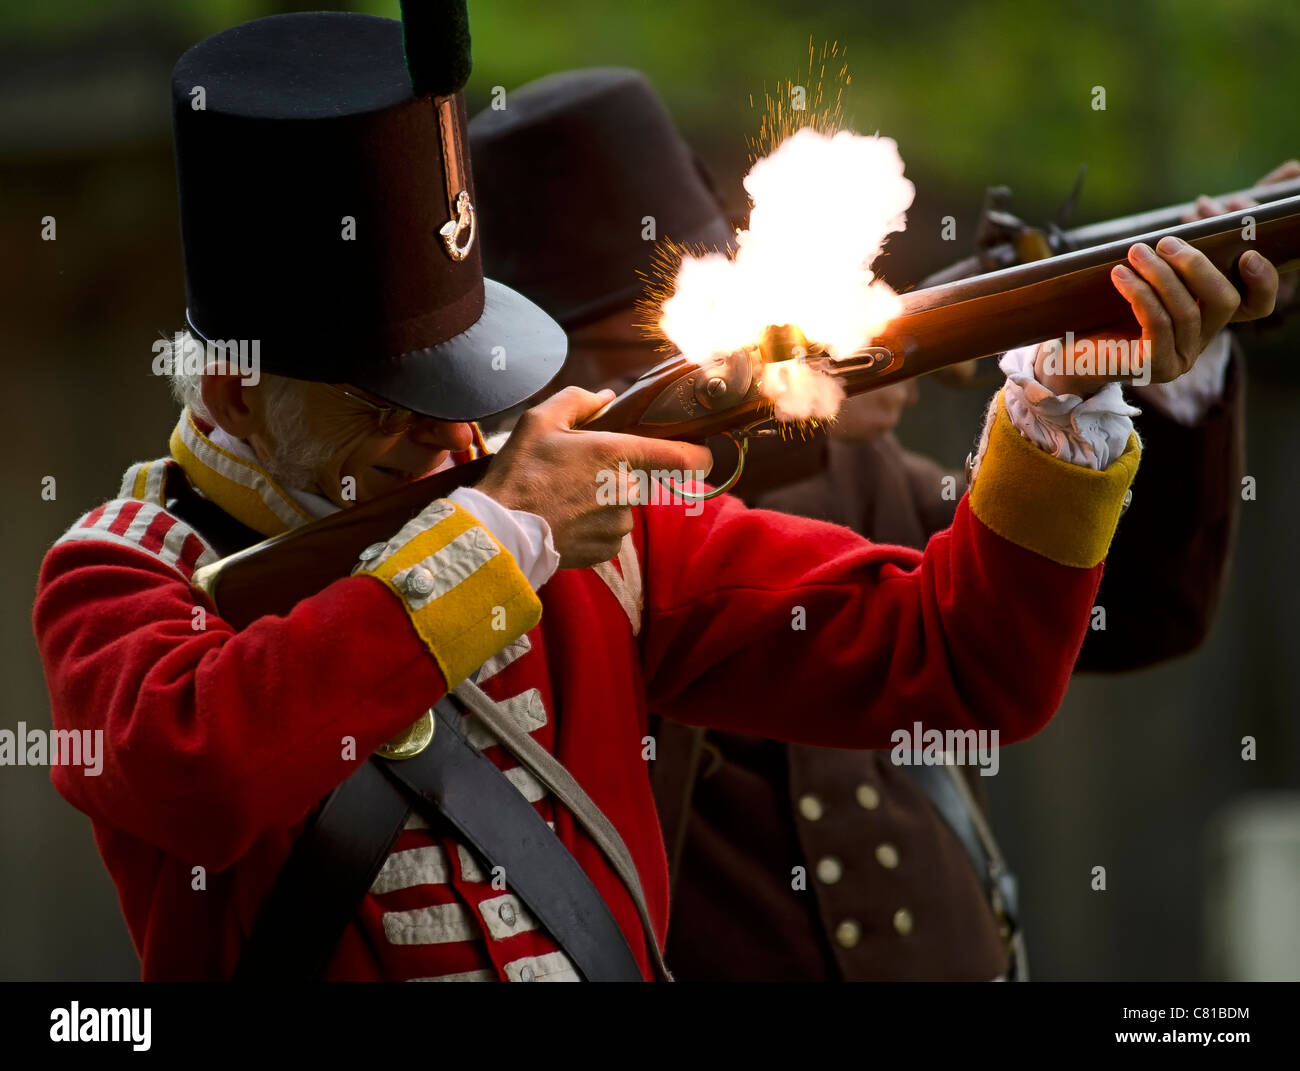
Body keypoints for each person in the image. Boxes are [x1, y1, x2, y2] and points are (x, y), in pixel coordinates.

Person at [468, 67, 1286, 980]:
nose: (731, 365)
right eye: (662, 350)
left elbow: (1135, 611)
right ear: (553, 385)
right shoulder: (542, 549)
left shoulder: (867, 479)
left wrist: (1141, 366)